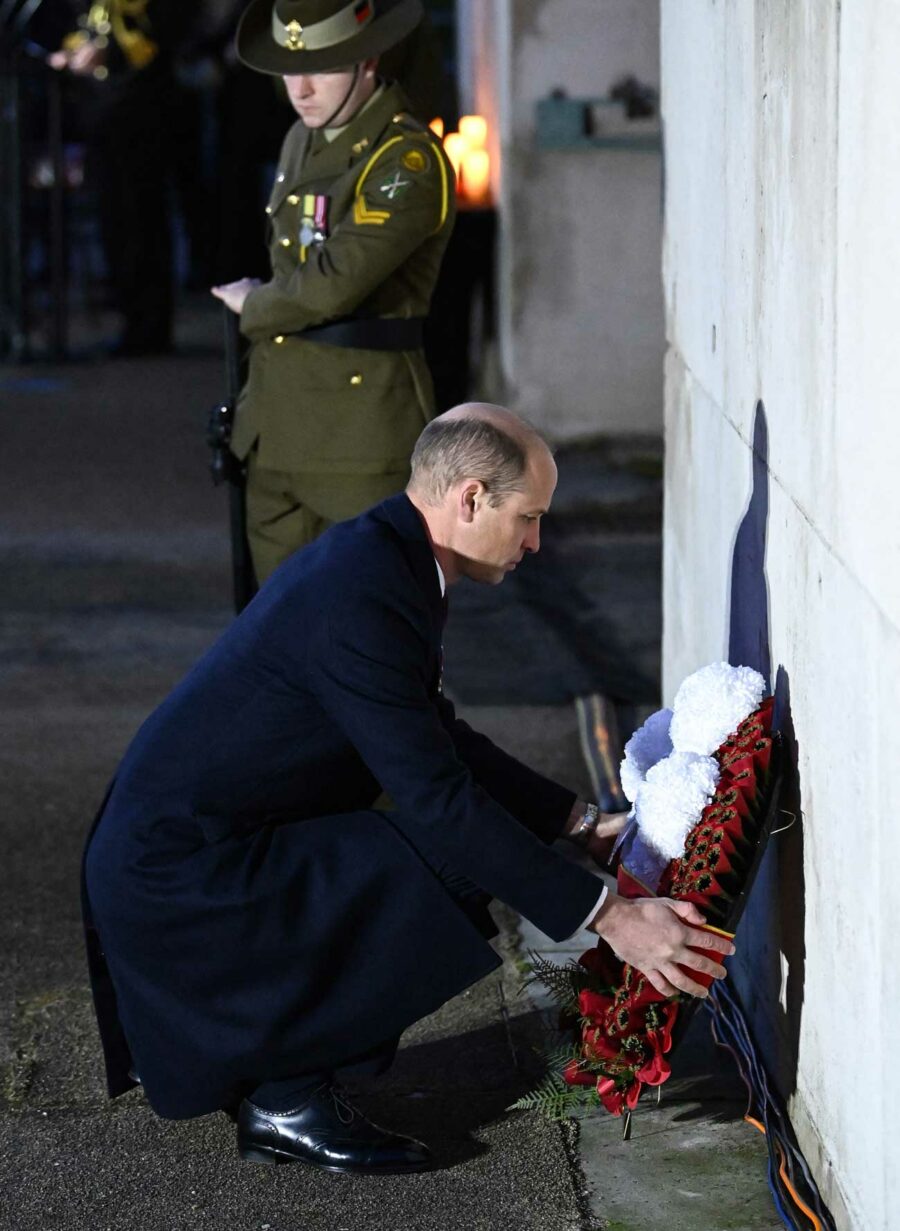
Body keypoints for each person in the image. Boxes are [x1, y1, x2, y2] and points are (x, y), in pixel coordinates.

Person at [82, 403, 734, 1175]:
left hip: (199, 856)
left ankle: (283, 1060)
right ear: (468, 499)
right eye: (528, 517)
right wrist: (615, 918)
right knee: (453, 852)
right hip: (181, 885)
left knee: (463, 842)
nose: (535, 541)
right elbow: (443, 800)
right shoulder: (364, 591)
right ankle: (286, 1095)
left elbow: (437, 734)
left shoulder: (382, 558)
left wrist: (581, 821)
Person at [211, 0, 456, 585]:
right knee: (277, 639)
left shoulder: (407, 158)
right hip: (276, 429)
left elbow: (333, 284)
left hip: (357, 438)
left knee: (368, 637)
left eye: (322, 66)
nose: (300, 87)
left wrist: (256, 305)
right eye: (290, 69)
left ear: (368, 61)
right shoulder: (303, 137)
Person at [48, 0, 196, 356]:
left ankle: (150, 328)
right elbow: (81, 24)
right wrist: (72, 52)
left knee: (141, 220)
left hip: (142, 111)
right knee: (114, 220)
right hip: (102, 113)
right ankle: (133, 319)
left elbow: (162, 31)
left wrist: (106, 53)